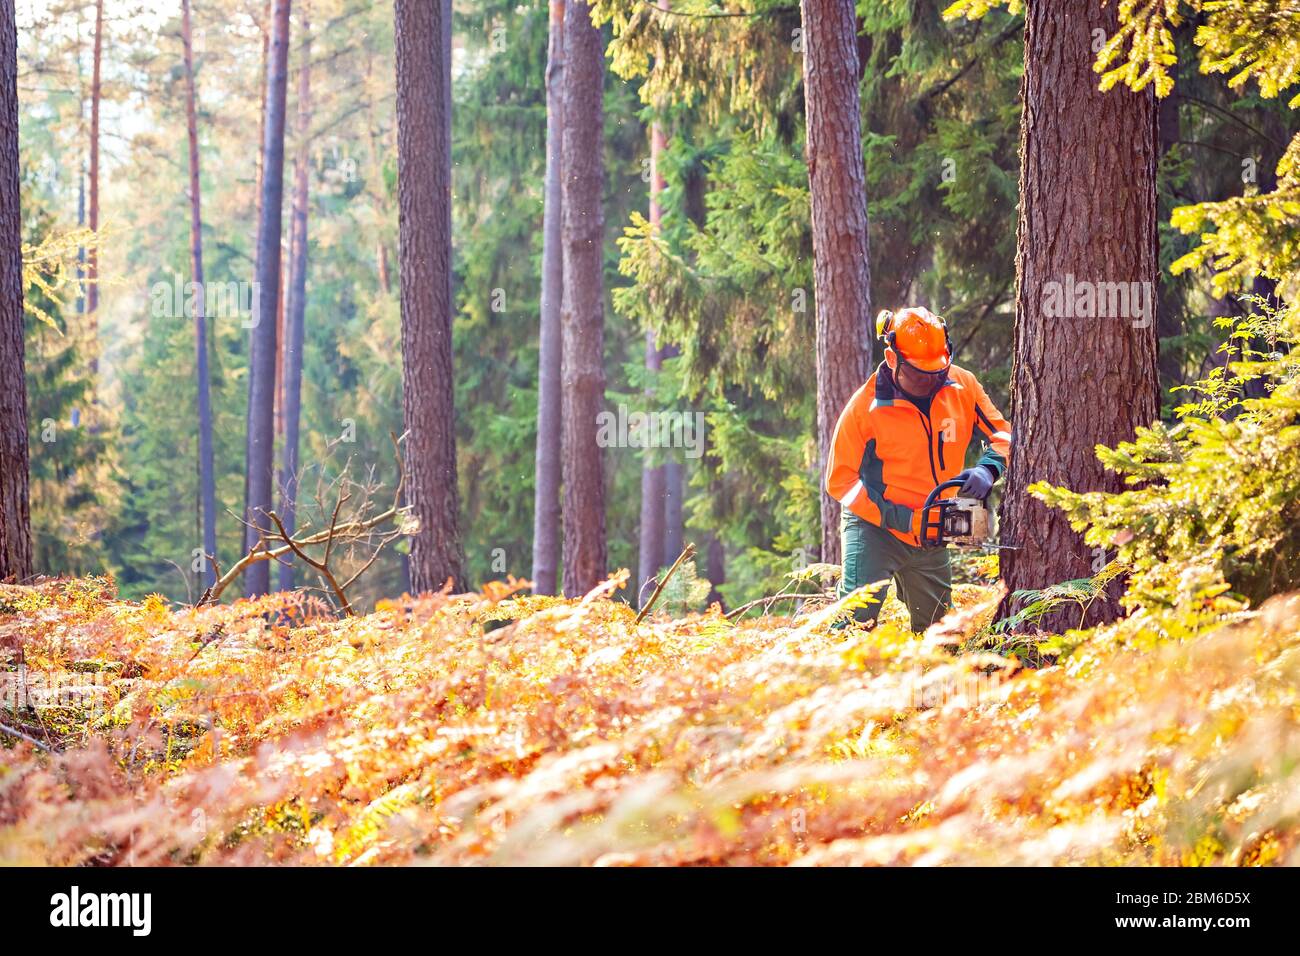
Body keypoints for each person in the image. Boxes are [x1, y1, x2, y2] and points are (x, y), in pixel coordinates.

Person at [824, 306, 1012, 631]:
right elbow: (840, 481)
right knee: (854, 619)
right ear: (892, 357)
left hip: (934, 527)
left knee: (941, 635)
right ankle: (829, 679)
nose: (929, 381)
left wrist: (988, 469)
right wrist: (903, 519)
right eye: (919, 373)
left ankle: (930, 682)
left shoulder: (963, 385)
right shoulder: (865, 408)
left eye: (936, 372)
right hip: (876, 526)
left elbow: (1004, 434)